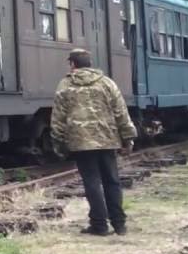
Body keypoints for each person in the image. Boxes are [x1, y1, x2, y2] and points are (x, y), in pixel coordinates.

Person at [50, 48, 136, 236]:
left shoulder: (65, 85)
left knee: (92, 182)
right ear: (90, 63)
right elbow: (121, 112)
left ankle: (99, 225)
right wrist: (128, 137)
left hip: (81, 143)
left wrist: (58, 144)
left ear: (72, 64)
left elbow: (58, 119)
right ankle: (119, 224)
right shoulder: (107, 83)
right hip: (107, 140)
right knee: (112, 181)